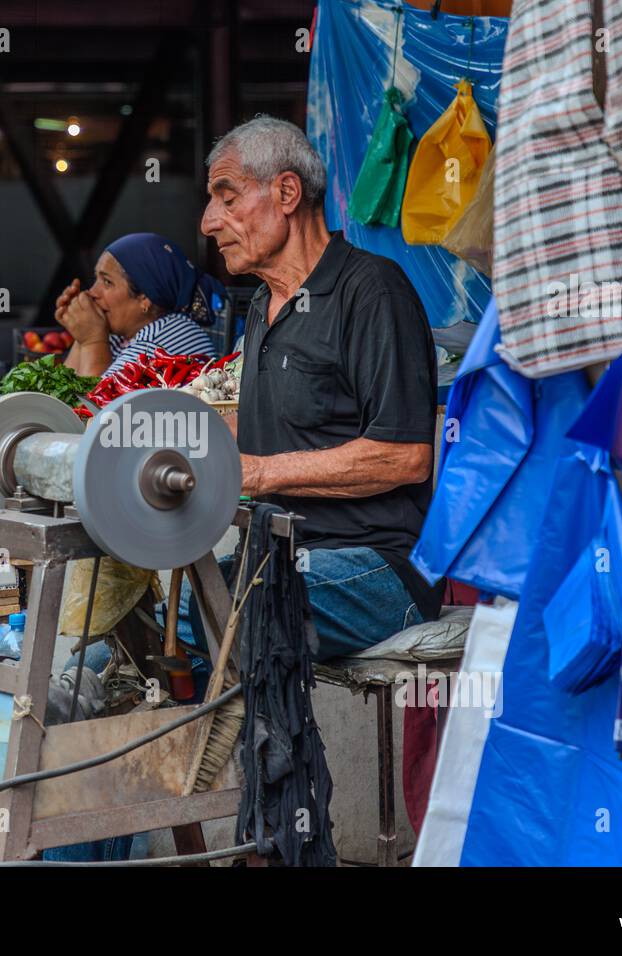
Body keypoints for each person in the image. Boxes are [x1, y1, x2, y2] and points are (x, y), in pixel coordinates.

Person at [190, 115, 444, 661]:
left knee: (221, 610)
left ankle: (258, 749)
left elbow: (405, 456)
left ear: (286, 192)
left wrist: (256, 473)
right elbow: (273, 426)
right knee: (171, 603)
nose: (209, 222)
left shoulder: (373, 292)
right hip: (283, 551)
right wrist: (164, 436)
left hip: (378, 569)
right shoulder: (262, 304)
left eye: (226, 198)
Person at [54, 232, 221, 378]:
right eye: (95, 279)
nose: (91, 292)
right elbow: (63, 398)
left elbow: (92, 409)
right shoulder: (123, 335)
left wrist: (91, 340)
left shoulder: (160, 340)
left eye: (107, 282)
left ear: (144, 297)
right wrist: (81, 328)